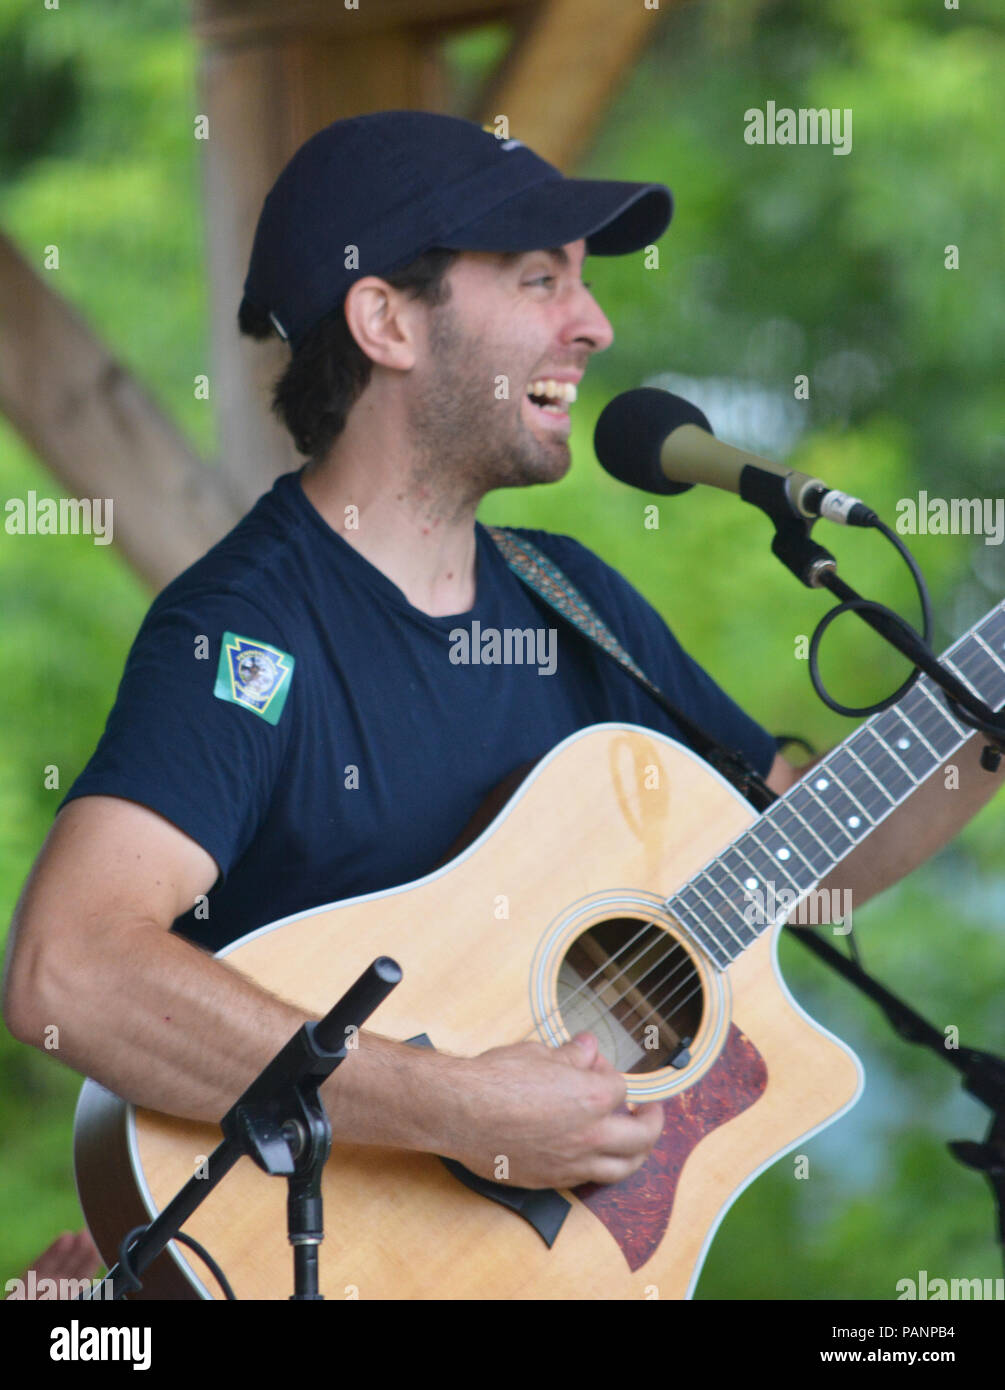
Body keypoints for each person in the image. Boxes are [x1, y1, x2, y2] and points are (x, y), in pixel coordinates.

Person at [2, 112, 999, 1202]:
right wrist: (460, 1108)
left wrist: (987, 704)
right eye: (539, 280)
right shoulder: (249, 634)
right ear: (385, 320)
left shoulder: (573, 601)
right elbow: (72, 970)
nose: (596, 326)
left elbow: (814, 863)